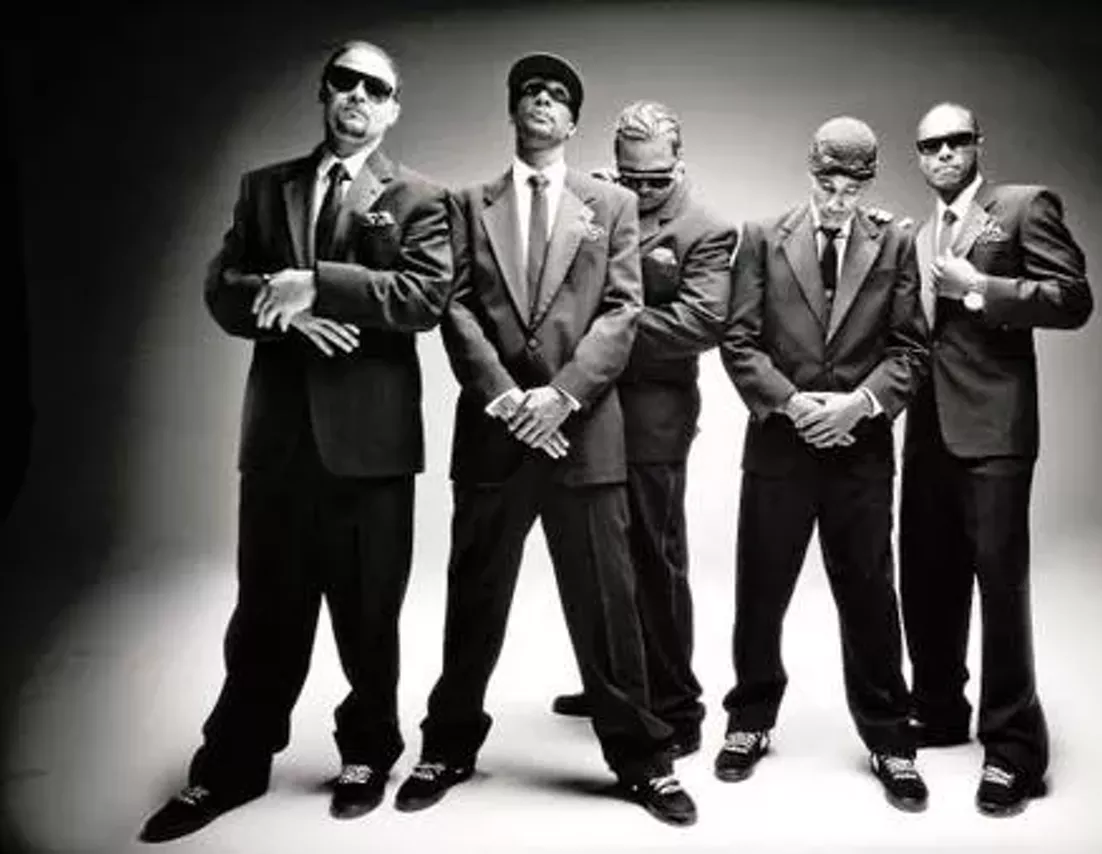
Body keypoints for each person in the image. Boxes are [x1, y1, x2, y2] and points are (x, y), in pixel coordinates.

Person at [139, 40, 455, 842]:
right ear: (324, 92)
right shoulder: (264, 187)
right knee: (264, 615)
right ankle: (231, 766)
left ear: (392, 109)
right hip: (279, 441)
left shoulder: (420, 198)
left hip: (372, 446)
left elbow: (424, 297)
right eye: (344, 81)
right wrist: (291, 316)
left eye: (374, 88)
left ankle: (368, 753)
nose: (357, 96)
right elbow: (223, 290)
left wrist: (317, 286)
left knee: (368, 613)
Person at [395, 54, 697, 827]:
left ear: (572, 122)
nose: (543, 100)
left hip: (583, 433)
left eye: (558, 95)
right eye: (530, 90)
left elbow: (623, 310)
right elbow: (456, 307)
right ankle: (446, 748)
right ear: (513, 111)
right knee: (474, 599)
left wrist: (562, 397)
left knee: (610, 606)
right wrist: (505, 398)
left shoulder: (611, 203)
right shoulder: (468, 203)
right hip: (494, 433)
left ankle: (643, 760)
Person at [716, 116, 931, 812]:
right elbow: (739, 340)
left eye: (853, 188)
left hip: (859, 452)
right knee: (761, 591)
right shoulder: (761, 237)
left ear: (869, 181)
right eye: (829, 184)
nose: (839, 200)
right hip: (780, 448)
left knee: (870, 595)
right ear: (811, 172)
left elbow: (911, 349)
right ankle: (749, 720)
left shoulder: (895, 240)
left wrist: (859, 406)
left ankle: (890, 737)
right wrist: (791, 403)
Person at [900, 101, 1093, 817]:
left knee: (1000, 588)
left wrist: (980, 289)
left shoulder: (1021, 207)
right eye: (931, 146)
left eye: (957, 141)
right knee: (925, 575)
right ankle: (938, 711)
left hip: (995, 429)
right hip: (927, 428)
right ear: (919, 157)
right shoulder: (920, 232)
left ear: (979, 143)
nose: (945, 154)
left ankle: (1014, 749)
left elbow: (1073, 298)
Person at [550, 101, 737, 762]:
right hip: (588, 411)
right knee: (600, 563)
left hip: (653, 422)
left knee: (655, 563)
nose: (643, 190)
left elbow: (700, 323)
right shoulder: (596, 203)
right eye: (631, 177)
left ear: (679, 166)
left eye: (657, 179)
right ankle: (617, 688)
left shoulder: (706, 229)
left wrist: (607, 330)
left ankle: (677, 704)